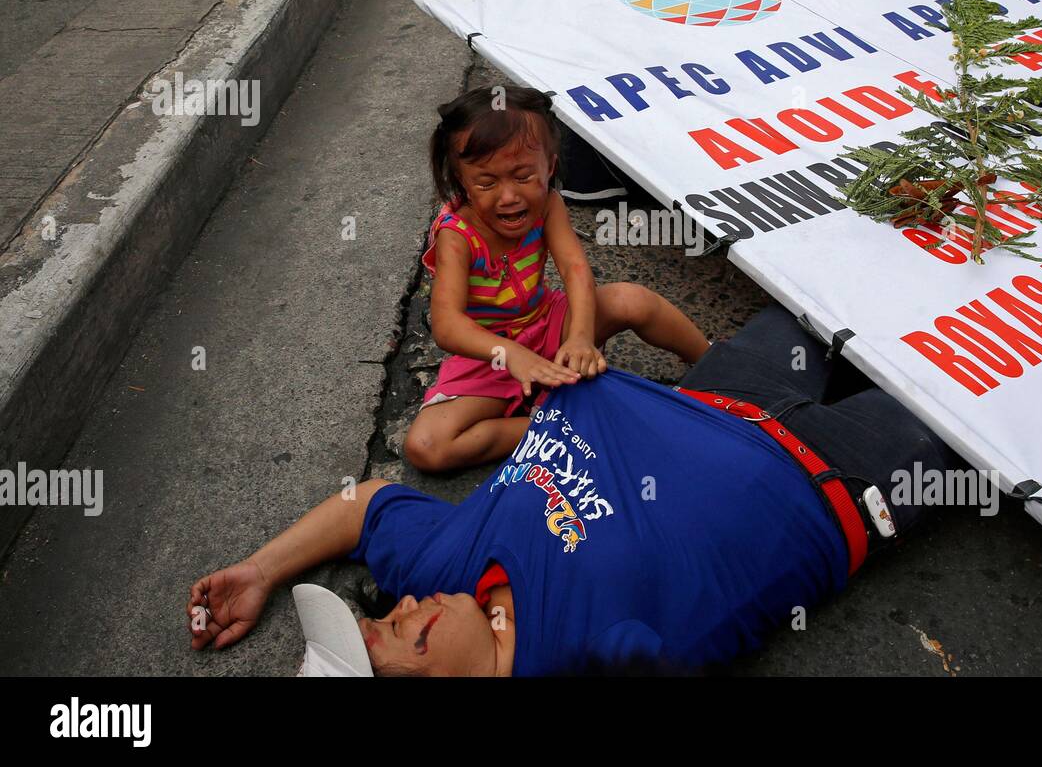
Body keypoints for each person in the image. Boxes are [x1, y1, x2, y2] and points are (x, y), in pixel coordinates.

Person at [188, 306, 957, 675]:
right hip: (830, 475)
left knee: (852, 275)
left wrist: (261, 569)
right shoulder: (582, 662)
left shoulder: (439, 571)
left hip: (719, 391)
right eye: (394, 634)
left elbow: (360, 509)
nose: (405, 608)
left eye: (386, 613)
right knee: (978, 369)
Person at [403, 85, 708, 472]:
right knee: (427, 447)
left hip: (549, 325)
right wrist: (510, 355)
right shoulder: (456, 234)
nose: (509, 196)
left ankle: (714, 362)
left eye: (523, 175)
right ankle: (556, 423)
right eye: (486, 183)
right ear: (461, 182)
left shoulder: (549, 203)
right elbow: (447, 326)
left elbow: (575, 269)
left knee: (632, 300)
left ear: (549, 165)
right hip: (489, 356)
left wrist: (580, 336)